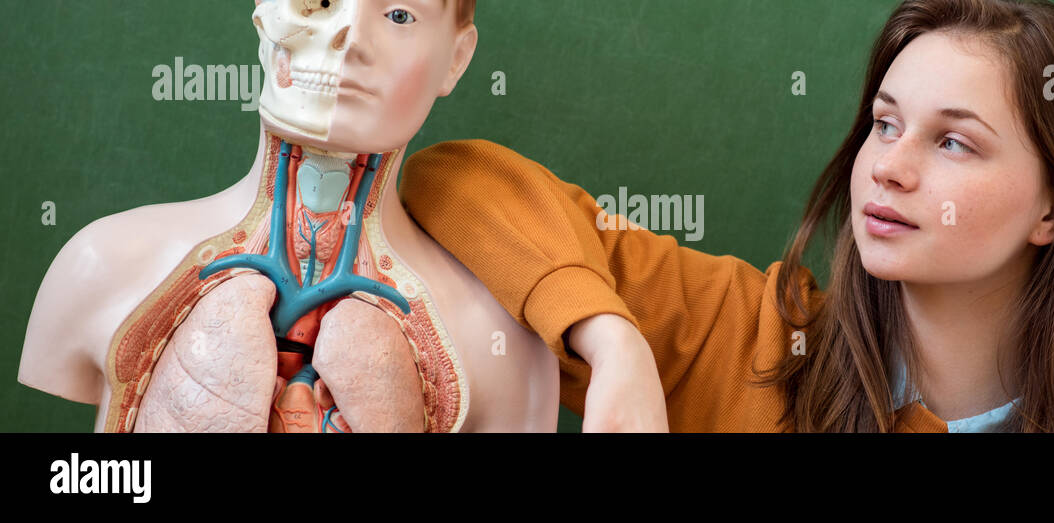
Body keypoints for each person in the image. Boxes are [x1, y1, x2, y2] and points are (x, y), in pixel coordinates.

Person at [400, 0, 1054, 432]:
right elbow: (456, 178)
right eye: (884, 125)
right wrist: (613, 341)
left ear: (1053, 208)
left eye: (953, 141)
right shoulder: (749, 337)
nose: (888, 165)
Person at [18, 0, 657, 433]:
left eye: (399, 13)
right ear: (266, 16)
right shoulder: (100, 266)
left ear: (457, 60)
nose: (348, 39)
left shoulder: (505, 346)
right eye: (319, 1)